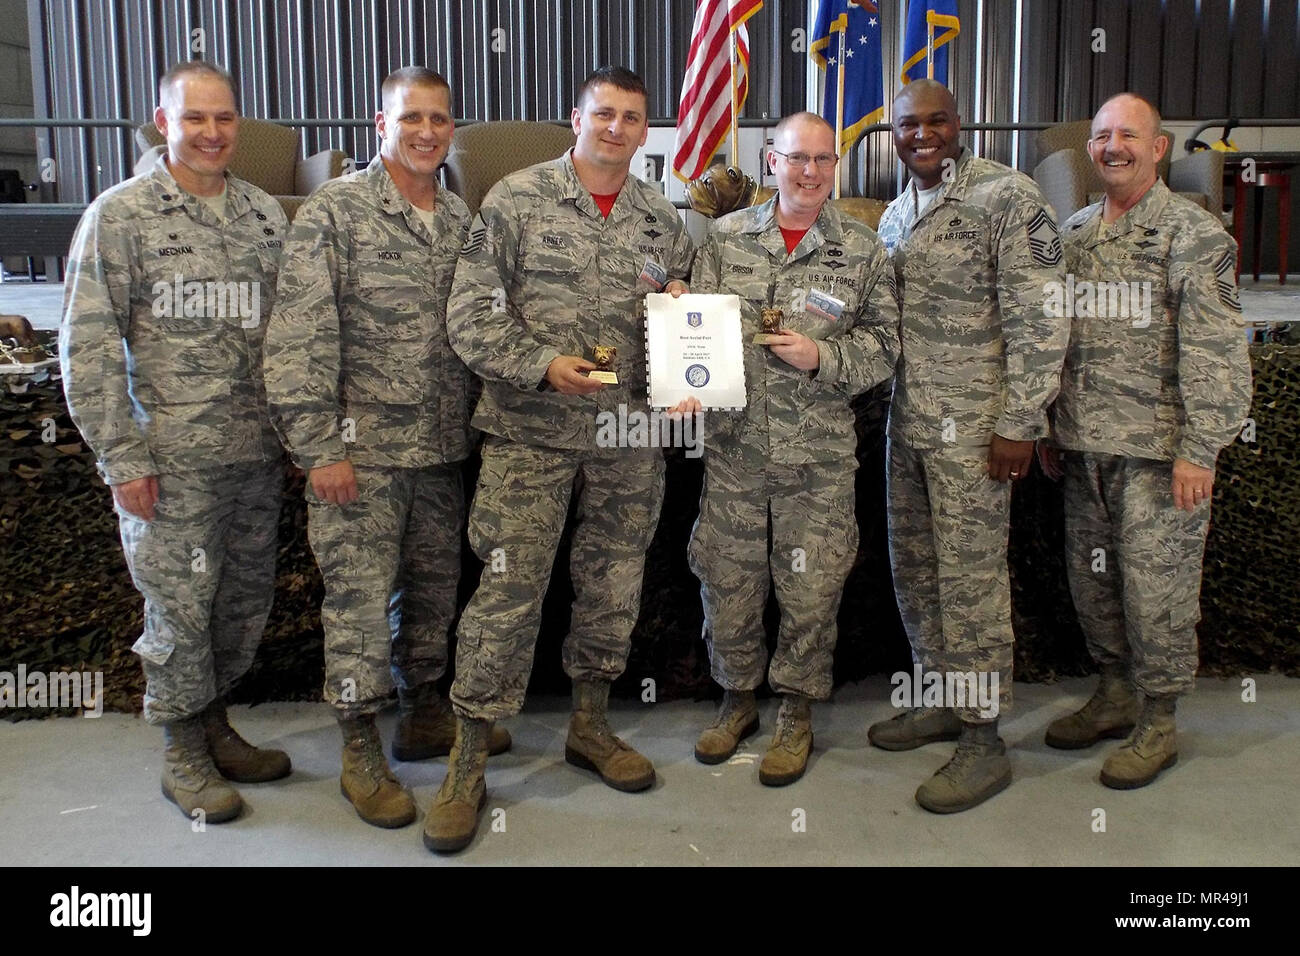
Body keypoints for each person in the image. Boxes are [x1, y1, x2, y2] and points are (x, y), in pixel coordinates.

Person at [428, 66, 694, 853]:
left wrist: (686, 357)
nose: (616, 128)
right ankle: (468, 758)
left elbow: (676, 314)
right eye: (603, 113)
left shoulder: (661, 219)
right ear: (575, 118)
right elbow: (470, 314)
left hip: (628, 434)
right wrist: (541, 364)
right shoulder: (515, 200)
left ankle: (589, 725)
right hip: (530, 429)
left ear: (645, 131)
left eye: (632, 117)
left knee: (613, 582)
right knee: (508, 591)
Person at [263, 67, 509, 830]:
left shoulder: (461, 217)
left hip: (439, 448)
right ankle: (359, 746)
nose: (426, 132)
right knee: (360, 606)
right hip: (359, 454)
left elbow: (483, 320)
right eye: (411, 118)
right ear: (382, 124)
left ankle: (423, 712)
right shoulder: (336, 212)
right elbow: (300, 336)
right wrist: (318, 447)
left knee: (432, 595)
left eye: (439, 119)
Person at [59, 60, 291, 824]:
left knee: (241, 603)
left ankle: (215, 723)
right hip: (171, 462)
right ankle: (181, 748)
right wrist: (122, 457)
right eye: (195, 118)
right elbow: (87, 346)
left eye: (224, 118)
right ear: (164, 122)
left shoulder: (263, 215)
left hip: (254, 455)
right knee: (180, 610)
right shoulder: (120, 215)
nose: (212, 133)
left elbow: (294, 335)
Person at [1039, 93, 1252, 789]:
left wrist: (1201, 448)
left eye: (1128, 136)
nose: (1113, 147)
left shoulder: (1193, 236)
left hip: (1160, 456)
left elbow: (1217, 350)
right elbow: (1057, 340)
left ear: (1158, 148)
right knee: (1093, 584)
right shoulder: (1073, 232)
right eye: (1103, 136)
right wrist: (1048, 424)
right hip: (1085, 447)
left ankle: (1158, 719)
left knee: (1157, 592)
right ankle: (1114, 693)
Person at [872, 79, 1069, 813]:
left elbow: (1041, 316)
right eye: (907, 125)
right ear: (892, 133)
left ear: (961, 124)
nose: (922, 134)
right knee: (917, 570)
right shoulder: (898, 212)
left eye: (937, 121)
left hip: (979, 433)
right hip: (909, 426)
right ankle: (942, 697)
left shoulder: (1006, 197)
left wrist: (1020, 421)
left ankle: (984, 736)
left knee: (971, 582)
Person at [687, 113, 900, 785]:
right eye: (797, 158)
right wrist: (682, 377)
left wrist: (822, 357)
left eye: (823, 160)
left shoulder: (862, 249)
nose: (810, 172)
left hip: (818, 456)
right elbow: (693, 326)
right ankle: (736, 699)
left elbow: (885, 346)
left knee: (811, 588)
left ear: (834, 166)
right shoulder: (724, 239)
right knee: (729, 580)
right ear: (771, 162)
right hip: (735, 449)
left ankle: (796, 711)